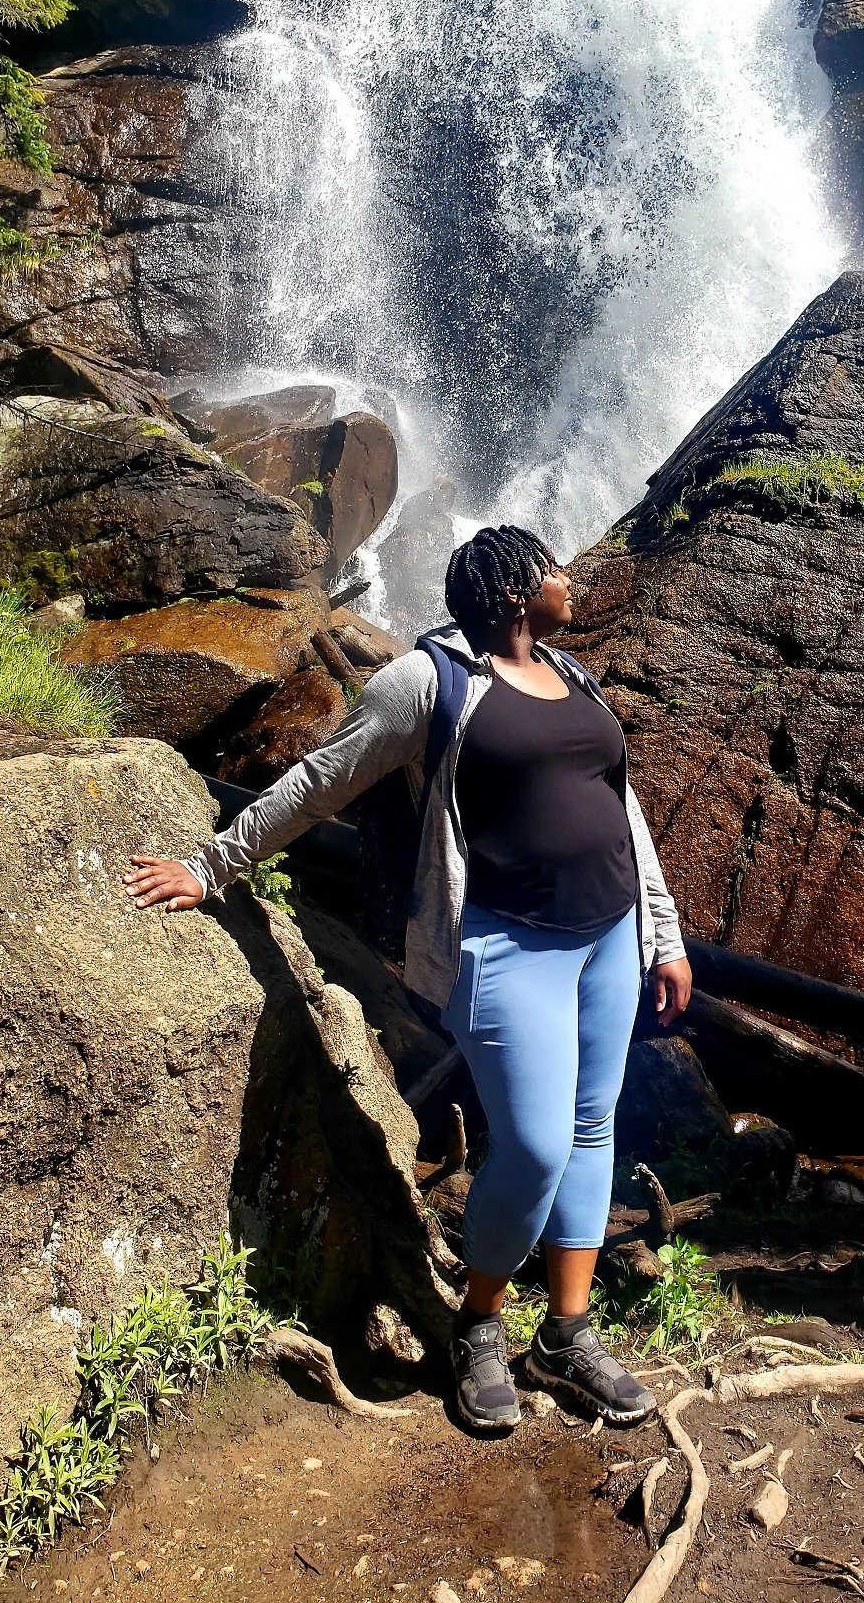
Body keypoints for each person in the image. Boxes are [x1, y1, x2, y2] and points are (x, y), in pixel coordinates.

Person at [124, 524, 693, 1433]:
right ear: (512, 588)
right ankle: (477, 1326)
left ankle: (568, 1334)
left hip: (608, 938)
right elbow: (320, 782)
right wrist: (211, 865)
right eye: (552, 568)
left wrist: (662, 934)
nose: (570, 579)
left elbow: (621, 812)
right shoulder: (428, 684)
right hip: (505, 947)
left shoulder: (572, 676)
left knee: (591, 1130)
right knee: (538, 1146)